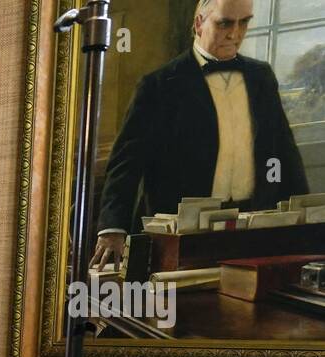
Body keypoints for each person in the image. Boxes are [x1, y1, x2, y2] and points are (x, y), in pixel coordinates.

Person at [91, 0, 309, 270]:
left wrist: (303, 220)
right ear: (198, 23)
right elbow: (126, 164)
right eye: (225, 23)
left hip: (252, 233)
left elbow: (284, 153)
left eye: (244, 22)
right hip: (178, 237)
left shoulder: (261, 77)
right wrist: (113, 228)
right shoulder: (158, 85)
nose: (235, 34)